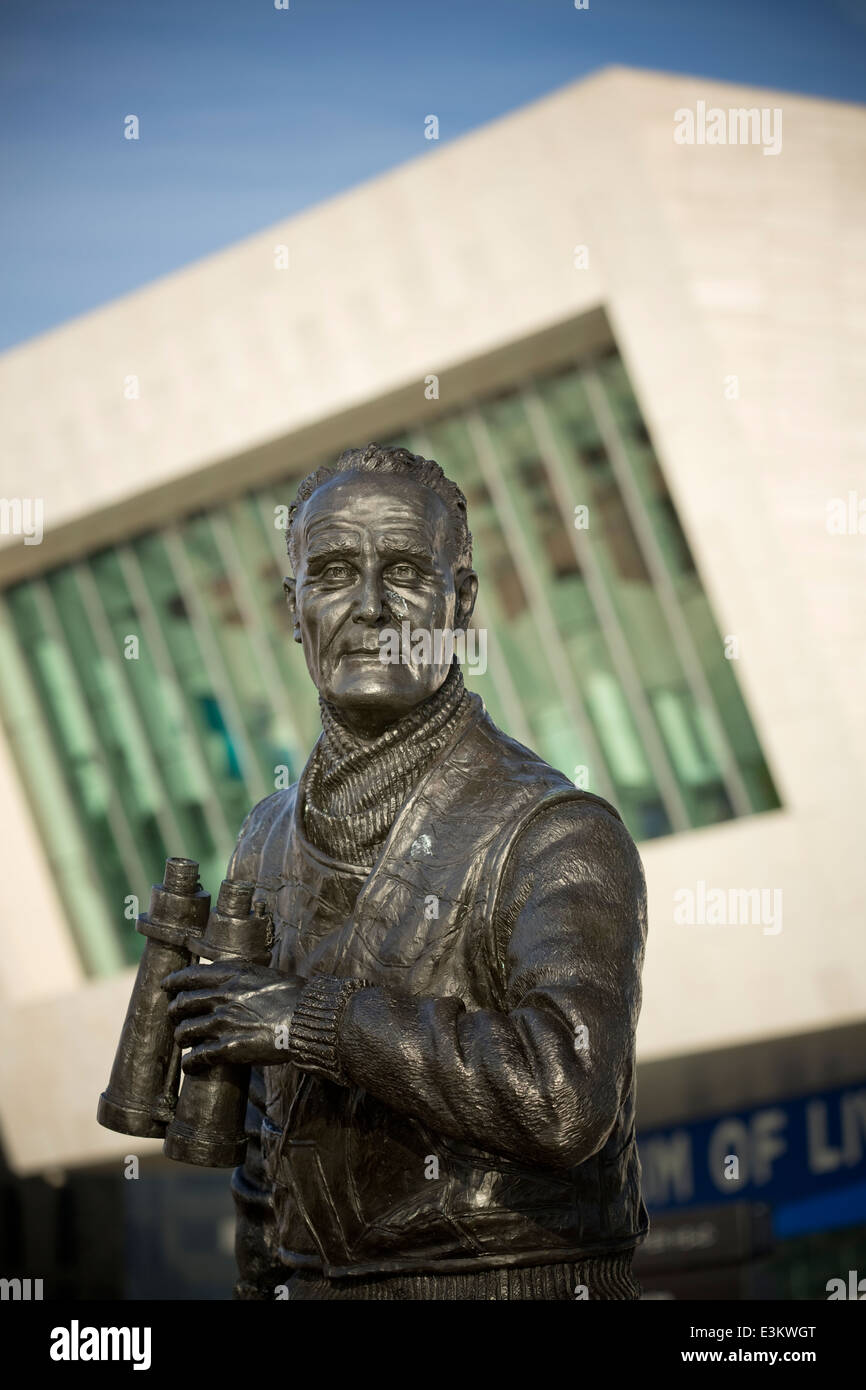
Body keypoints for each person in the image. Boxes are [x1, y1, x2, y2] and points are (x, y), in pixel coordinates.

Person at [164, 442, 649, 1300]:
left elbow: (565, 1096)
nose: (372, 607)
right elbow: (265, 1142)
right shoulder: (263, 838)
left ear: (459, 603)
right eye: (336, 572)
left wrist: (310, 1020)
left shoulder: (556, 831)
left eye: (407, 573)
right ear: (295, 608)